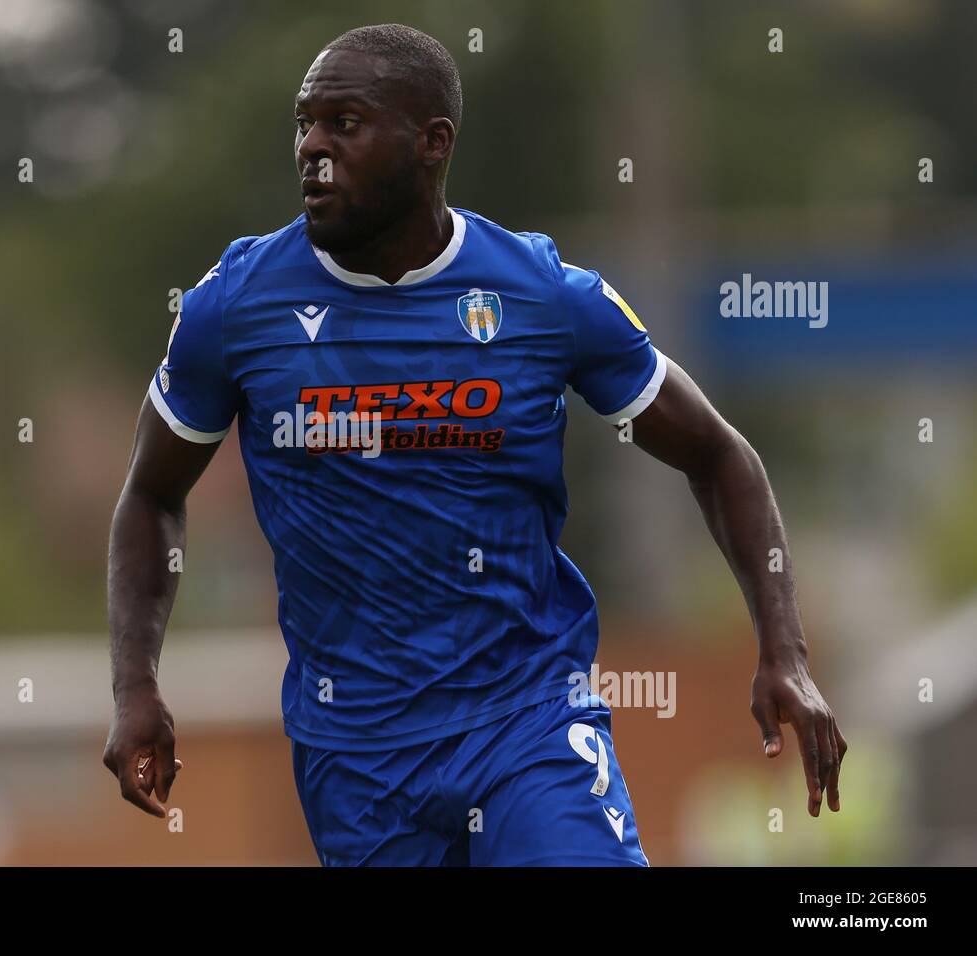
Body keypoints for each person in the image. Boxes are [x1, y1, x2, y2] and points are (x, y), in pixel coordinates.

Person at [103, 23, 847, 866]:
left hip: (527, 723)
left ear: (433, 142)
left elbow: (717, 454)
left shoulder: (541, 296)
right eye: (304, 124)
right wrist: (136, 686)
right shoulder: (235, 308)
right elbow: (151, 493)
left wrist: (784, 651)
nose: (312, 148)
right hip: (357, 756)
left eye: (344, 124)